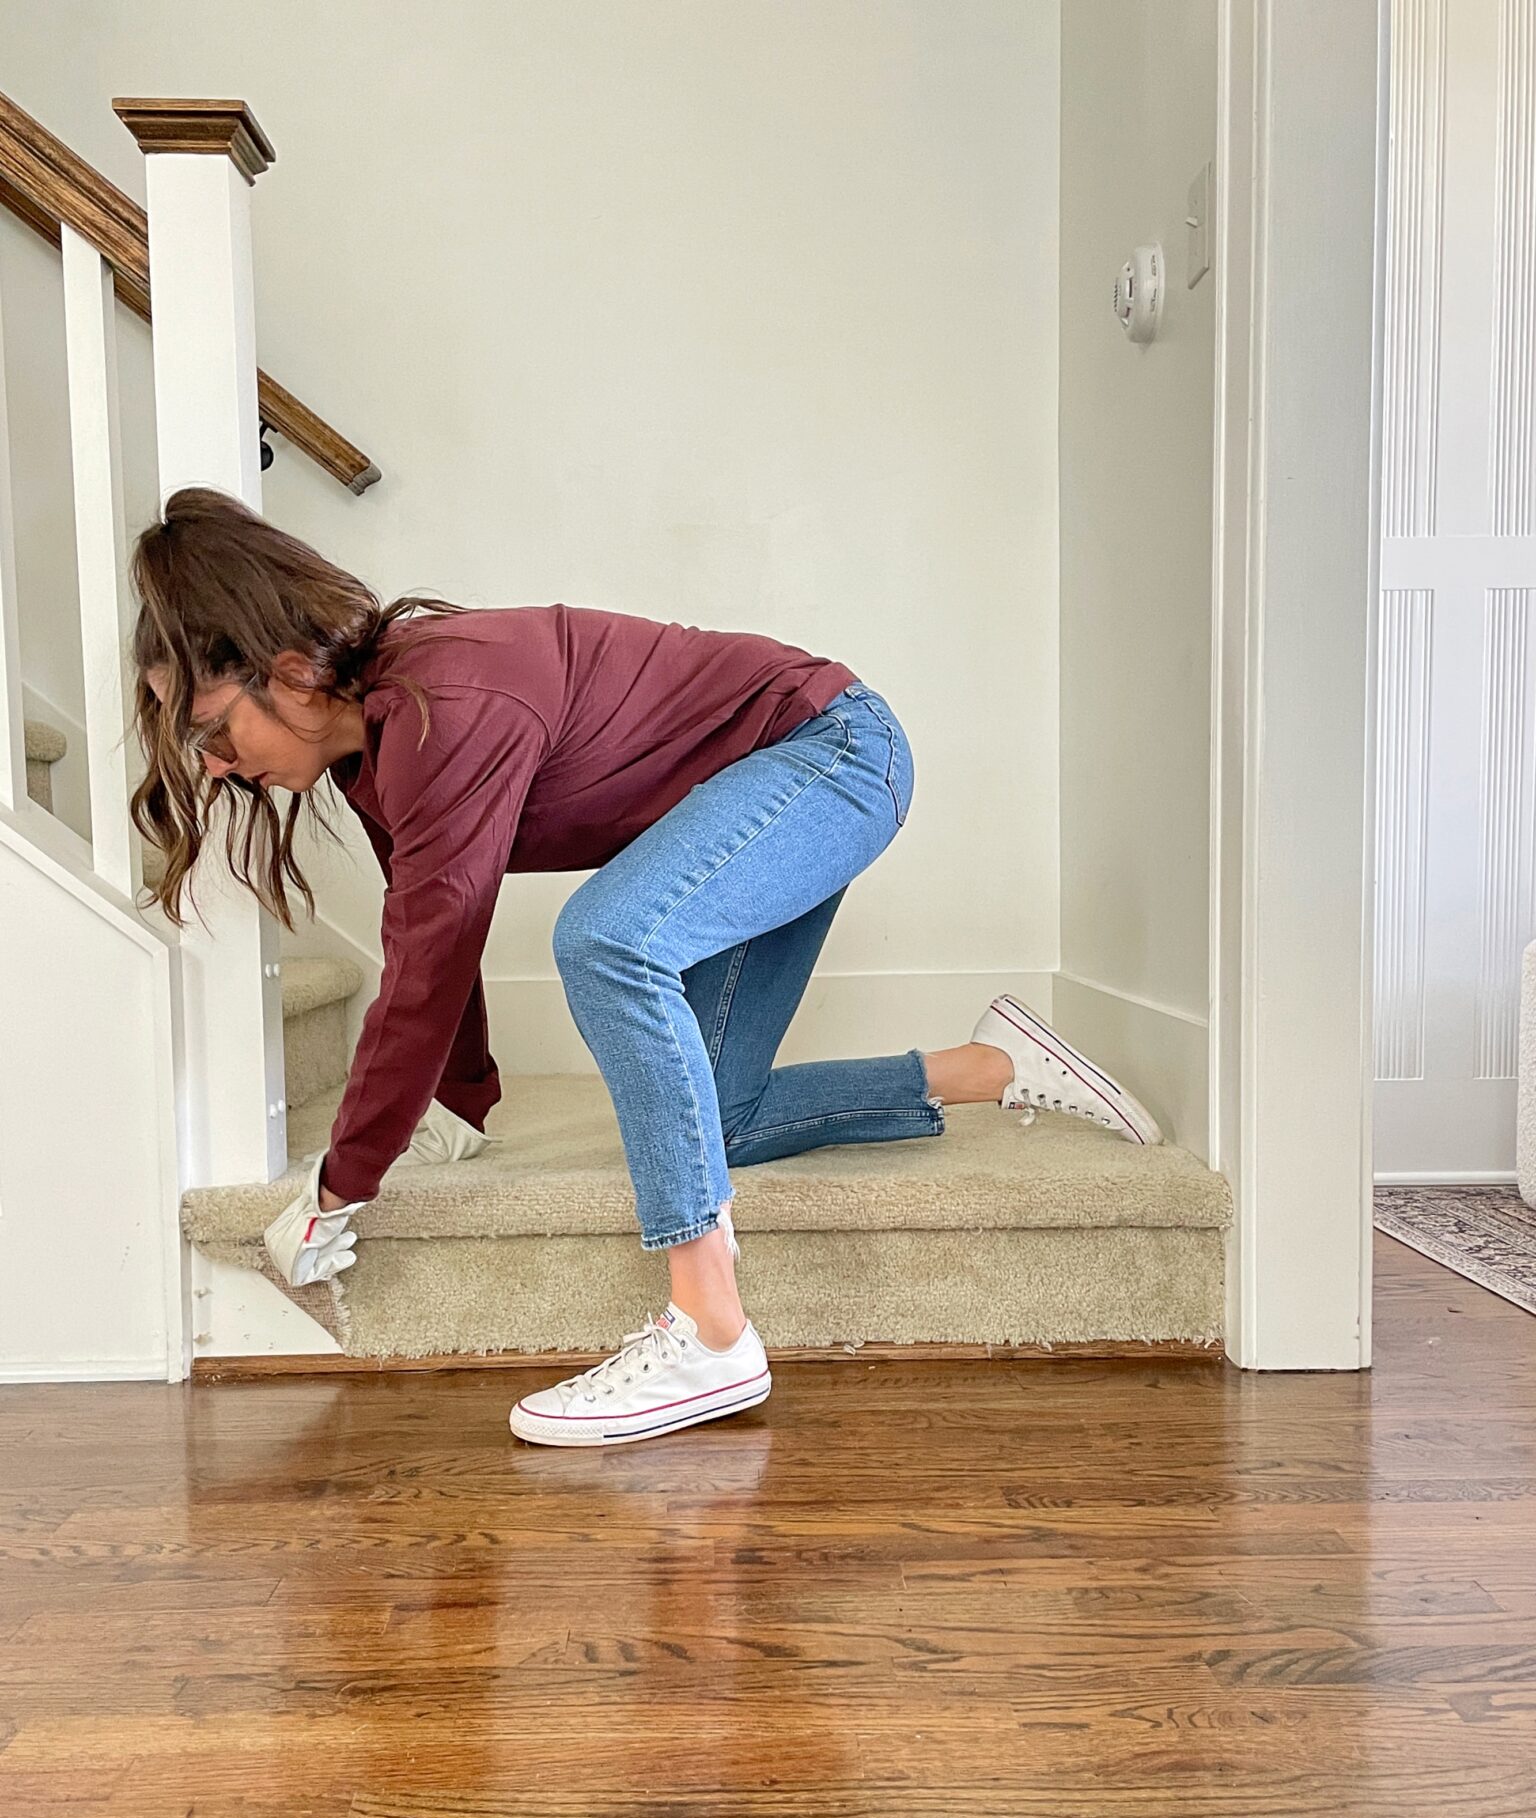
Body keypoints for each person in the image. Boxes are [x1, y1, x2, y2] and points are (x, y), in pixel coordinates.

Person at [130, 487, 1161, 1447]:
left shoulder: (448, 699)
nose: (213, 764)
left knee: (607, 937)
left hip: (832, 755)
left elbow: (429, 960)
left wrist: (339, 1182)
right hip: (765, 792)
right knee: (718, 1121)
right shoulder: (375, 755)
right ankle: (991, 1066)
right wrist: (460, 1100)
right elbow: (431, 930)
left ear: (289, 670)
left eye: (211, 728)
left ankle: (710, 1330)